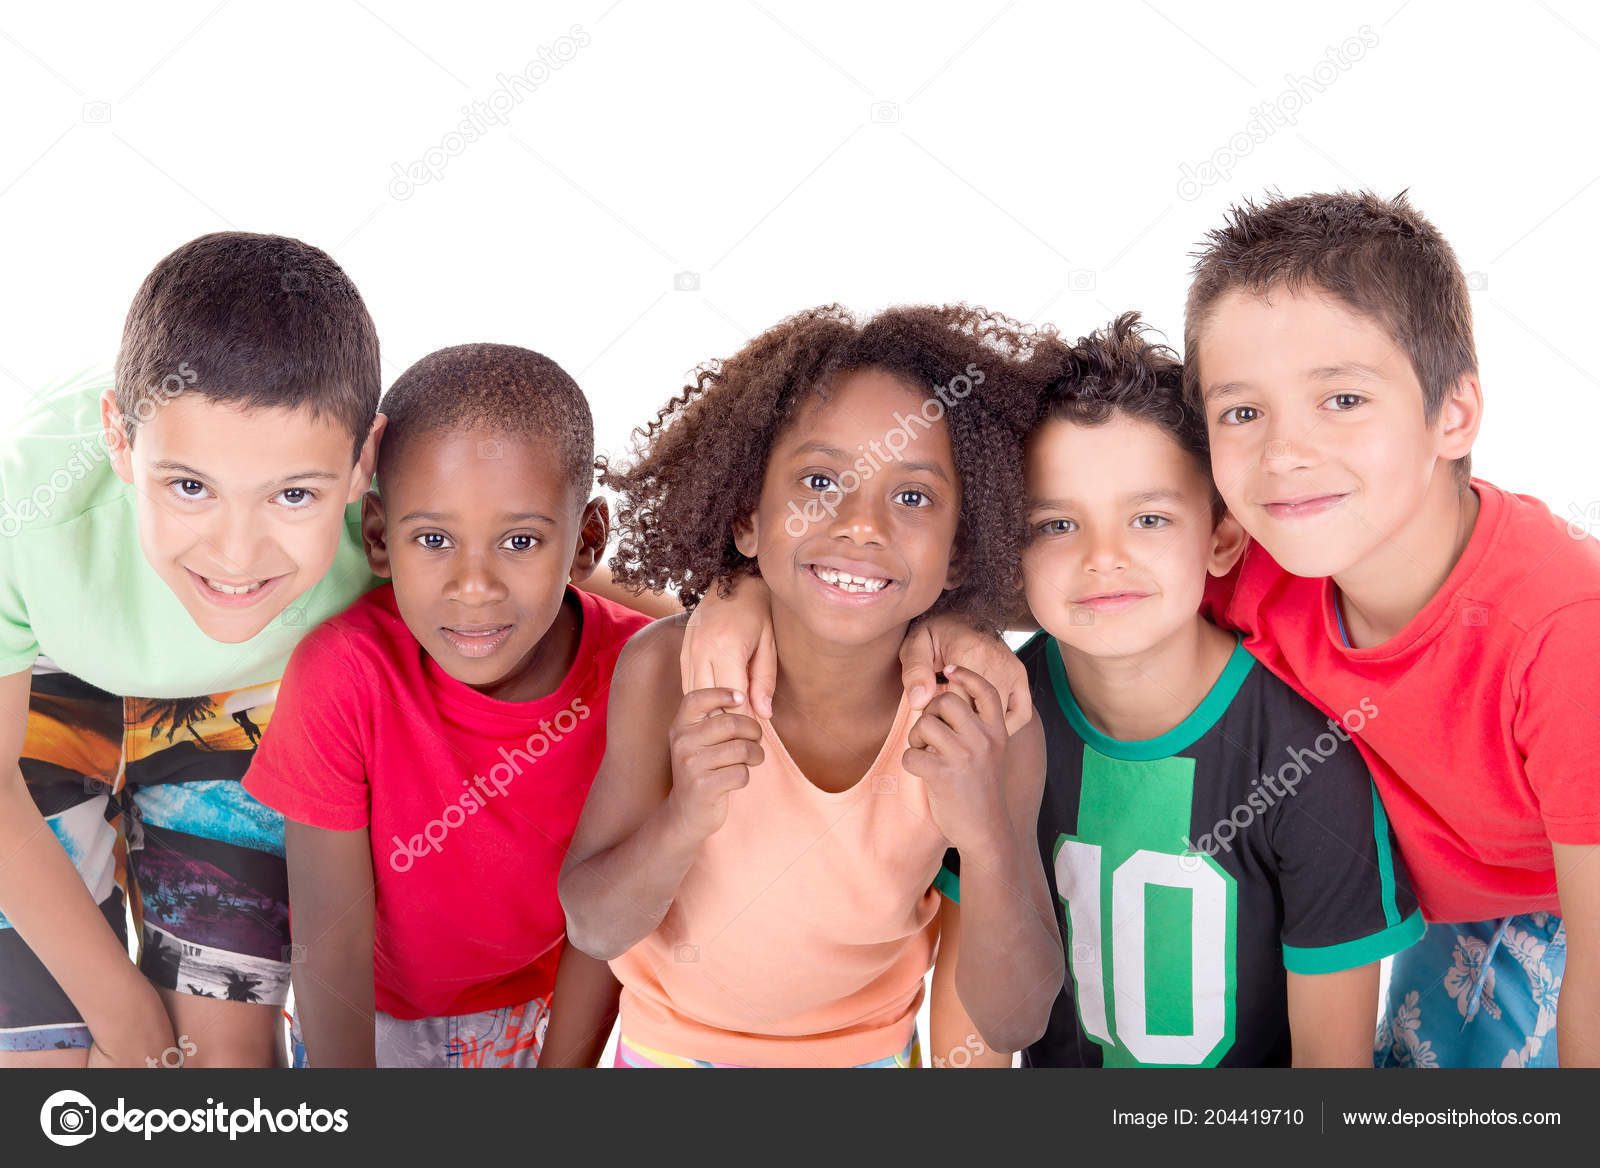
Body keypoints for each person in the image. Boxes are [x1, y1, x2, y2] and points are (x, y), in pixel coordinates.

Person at [559, 304, 1063, 1067]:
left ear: (960, 551)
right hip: (666, 1055)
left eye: (914, 496)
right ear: (746, 518)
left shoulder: (985, 716)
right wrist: (687, 815)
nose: (863, 525)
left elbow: (1016, 1021)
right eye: (821, 480)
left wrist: (984, 835)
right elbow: (594, 928)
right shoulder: (669, 671)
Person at [932, 315, 1422, 1067]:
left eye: (1150, 518)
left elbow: (1334, 1073)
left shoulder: (1309, 761)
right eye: (1057, 524)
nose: (1103, 558)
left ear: (1222, 539)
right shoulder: (993, 717)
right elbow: (971, 1037)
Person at [1186, 190, 1600, 1067]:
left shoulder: (1566, 630)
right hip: (1449, 917)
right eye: (1242, 412)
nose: (1283, 453)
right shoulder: (1251, 570)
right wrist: (951, 634)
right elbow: (1080, 589)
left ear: (1452, 414)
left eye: (1341, 399)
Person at [244, 344, 641, 1067]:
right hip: (366, 1024)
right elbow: (327, 944)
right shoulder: (344, 673)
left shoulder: (639, 674)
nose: (475, 586)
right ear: (377, 537)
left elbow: (607, 924)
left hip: (547, 1020)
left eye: (519, 541)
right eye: (434, 539)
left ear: (587, 541)